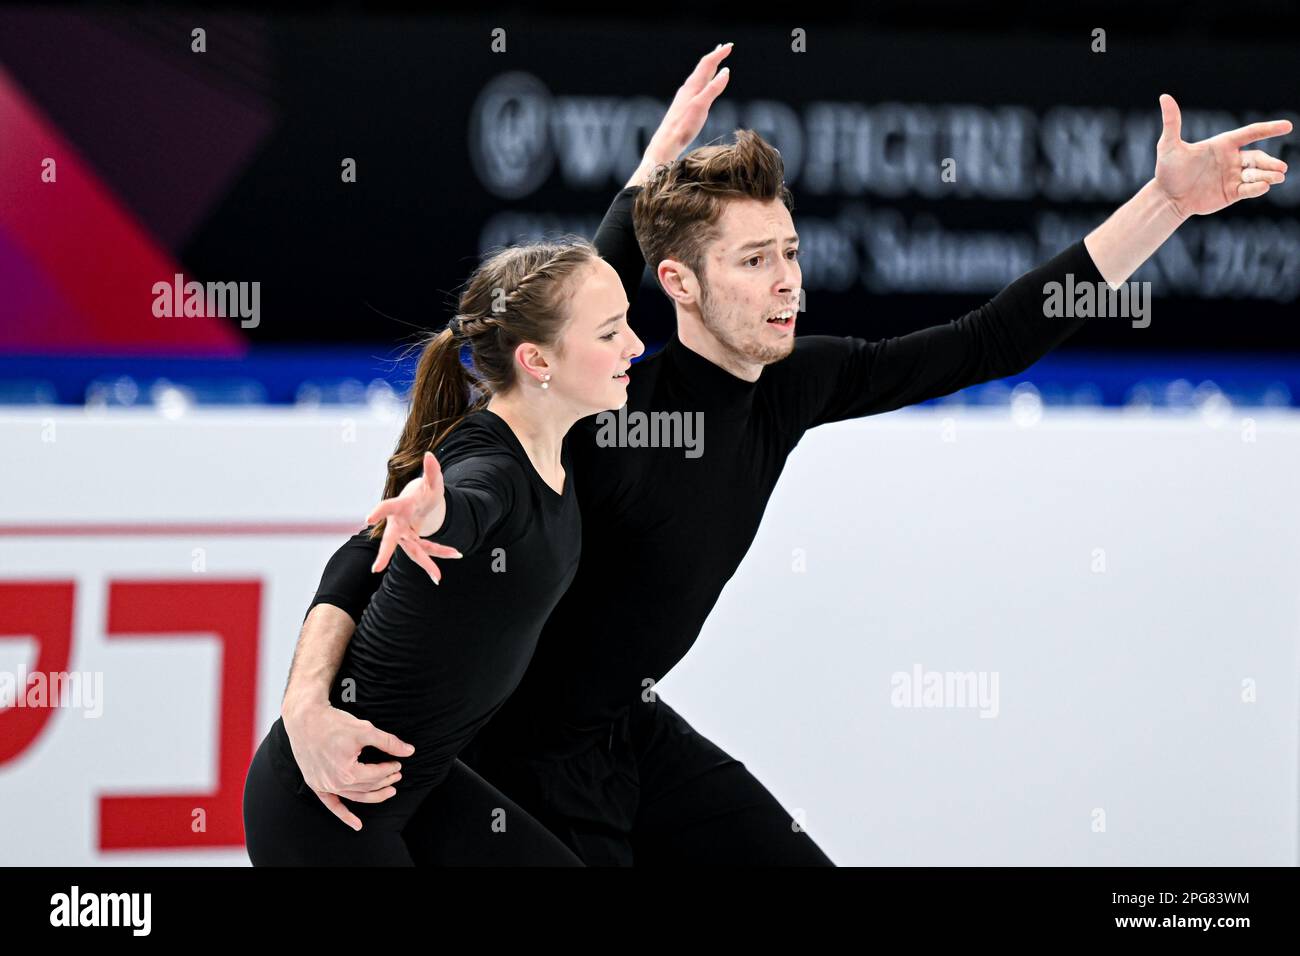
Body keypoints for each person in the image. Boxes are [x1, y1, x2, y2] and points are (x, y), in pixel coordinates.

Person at [286, 60, 1292, 863]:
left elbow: (992, 337)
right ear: (676, 282)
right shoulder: (605, 403)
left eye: (792, 251)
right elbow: (379, 539)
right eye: (754, 260)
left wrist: (1163, 204)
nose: (787, 284)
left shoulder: (797, 382)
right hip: (517, 762)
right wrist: (304, 706)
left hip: (624, 729)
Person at [242, 234, 646, 865]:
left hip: (415, 790)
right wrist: (436, 516)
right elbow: (469, 505)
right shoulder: (490, 465)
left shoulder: (538, 443)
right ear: (538, 361)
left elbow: (358, 560)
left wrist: (650, 168)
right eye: (610, 333)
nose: (636, 345)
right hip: (325, 805)